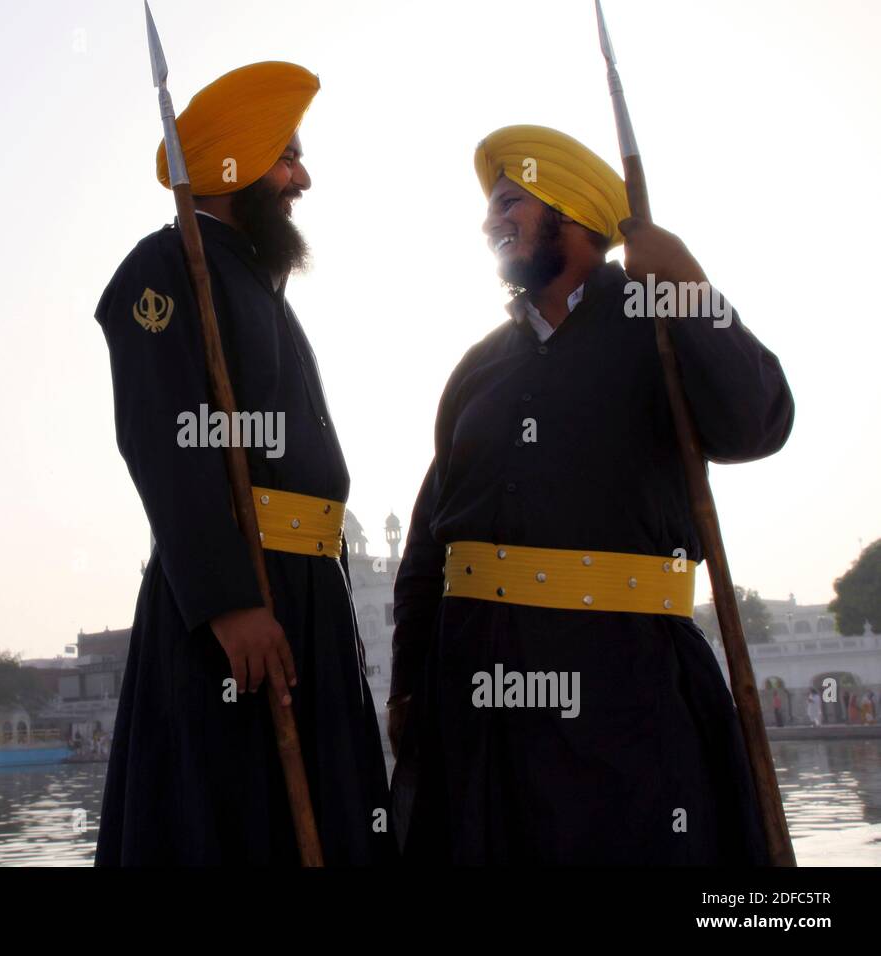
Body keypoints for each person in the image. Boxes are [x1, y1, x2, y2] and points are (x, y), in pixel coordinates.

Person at [389, 125, 794, 865]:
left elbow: (758, 423)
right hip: (477, 705)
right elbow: (428, 546)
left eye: (510, 201)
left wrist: (690, 287)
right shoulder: (477, 367)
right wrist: (408, 685)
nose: (490, 221)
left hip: (622, 694)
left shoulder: (659, 331)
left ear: (570, 211)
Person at [93, 61, 394, 865]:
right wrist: (230, 602)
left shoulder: (257, 285)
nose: (302, 177)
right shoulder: (164, 270)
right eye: (286, 155)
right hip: (239, 601)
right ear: (232, 163)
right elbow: (163, 441)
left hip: (306, 596)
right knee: (230, 819)